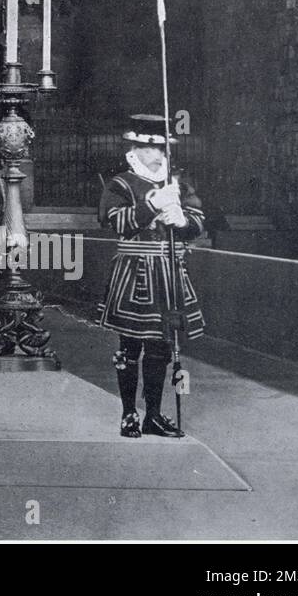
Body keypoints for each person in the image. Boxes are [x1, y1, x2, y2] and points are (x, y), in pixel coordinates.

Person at [97, 116, 205, 438]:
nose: (159, 156)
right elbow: (115, 221)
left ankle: (153, 415)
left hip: (170, 272)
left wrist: (183, 221)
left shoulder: (179, 185)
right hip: (135, 274)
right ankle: (129, 413)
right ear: (135, 149)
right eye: (151, 148)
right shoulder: (121, 184)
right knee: (130, 347)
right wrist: (151, 206)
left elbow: (199, 222)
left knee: (161, 345)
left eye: (163, 148)